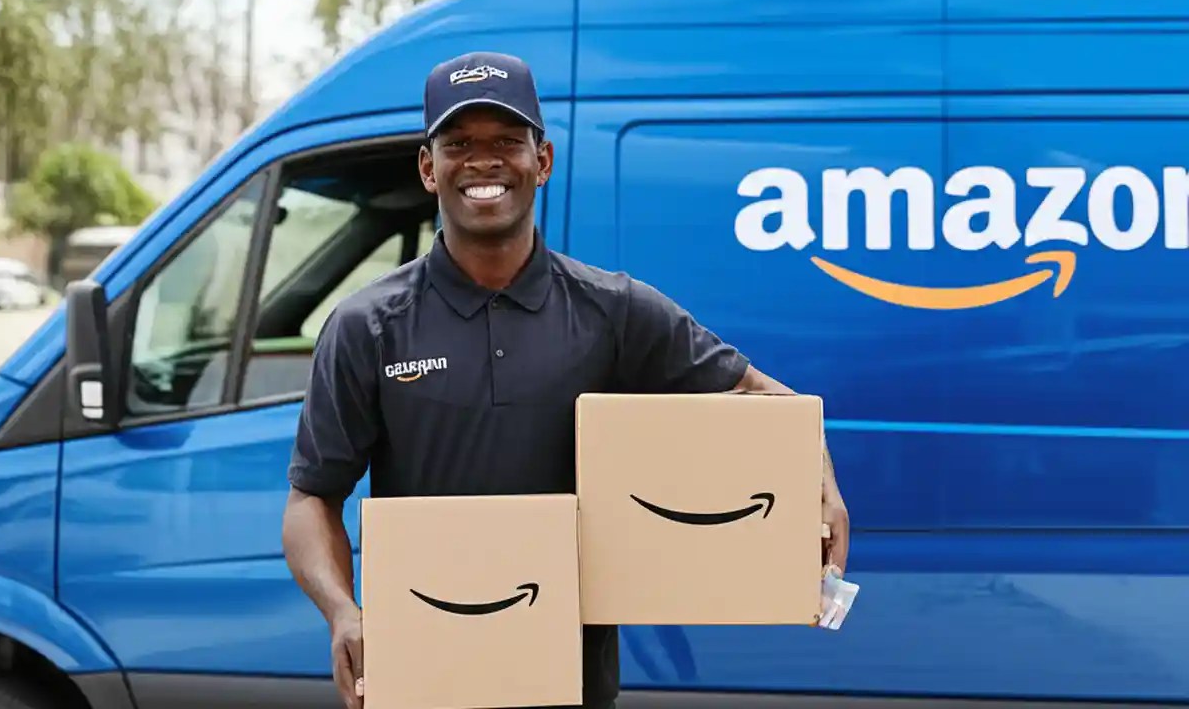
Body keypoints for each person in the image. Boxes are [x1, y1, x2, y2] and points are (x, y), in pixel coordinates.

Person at [281, 50, 851, 709]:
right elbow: (310, 500)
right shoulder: (366, 326)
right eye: (459, 143)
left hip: (571, 688)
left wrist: (819, 477)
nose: (483, 161)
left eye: (506, 142)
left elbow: (758, 398)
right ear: (427, 169)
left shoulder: (614, 311)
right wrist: (344, 613)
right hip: (423, 679)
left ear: (542, 161)